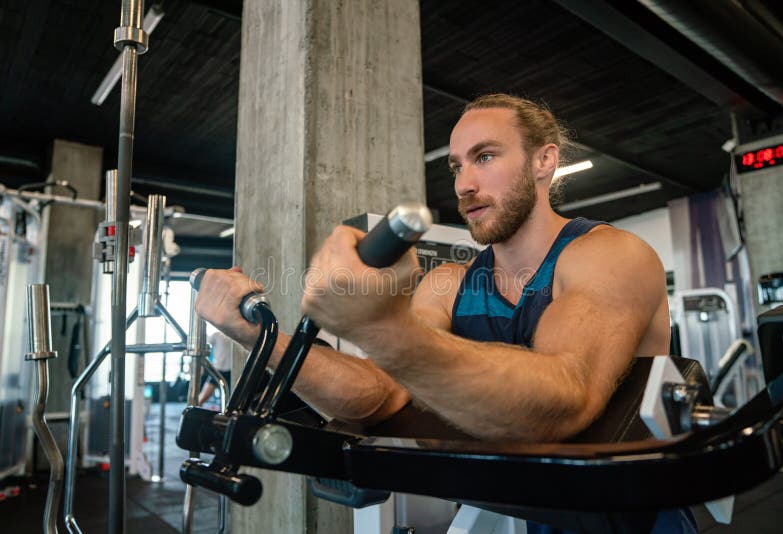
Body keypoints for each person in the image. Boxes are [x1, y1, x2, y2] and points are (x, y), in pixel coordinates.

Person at [195, 94, 695, 532]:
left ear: (545, 161)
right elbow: (379, 396)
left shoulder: (611, 255)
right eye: (457, 166)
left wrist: (380, 327)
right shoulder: (449, 285)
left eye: (485, 157)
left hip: (624, 518)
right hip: (502, 511)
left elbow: (568, 399)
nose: (463, 185)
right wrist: (259, 335)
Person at [197, 331, 232, 406]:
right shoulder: (217, 334)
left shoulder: (236, 334)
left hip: (231, 371)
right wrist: (201, 365)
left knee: (231, 400)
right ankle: (193, 415)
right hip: (218, 371)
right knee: (203, 397)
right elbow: (204, 345)